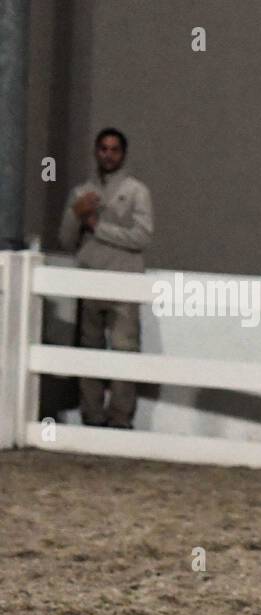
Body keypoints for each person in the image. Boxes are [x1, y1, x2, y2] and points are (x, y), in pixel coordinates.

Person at [58, 127, 153, 429]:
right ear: (96, 152)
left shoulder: (137, 191)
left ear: (123, 154)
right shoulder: (82, 193)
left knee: (125, 351)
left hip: (124, 281)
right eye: (103, 149)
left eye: (114, 149)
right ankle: (92, 417)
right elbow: (66, 241)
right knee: (89, 350)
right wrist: (76, 215)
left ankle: (121, 419)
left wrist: (97, 226)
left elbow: (141, 237)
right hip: (90, 280)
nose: (108, 155)